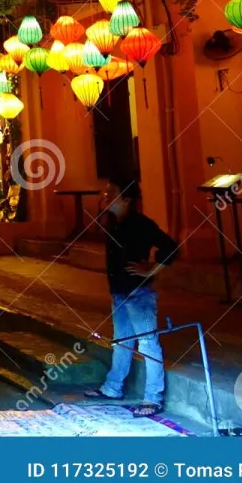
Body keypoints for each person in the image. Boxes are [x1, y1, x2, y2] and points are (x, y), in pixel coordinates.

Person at [82, 177, 178, 417]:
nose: (105, 196)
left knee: (147, 342)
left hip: (138, 293)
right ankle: (113, 387)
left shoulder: (140, 224)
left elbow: (171, 247)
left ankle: (153, 398)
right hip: (120, 293)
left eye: (111, 192)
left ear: (126, 198)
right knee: (122, 339)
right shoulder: (113, 222)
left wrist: (152, 269)